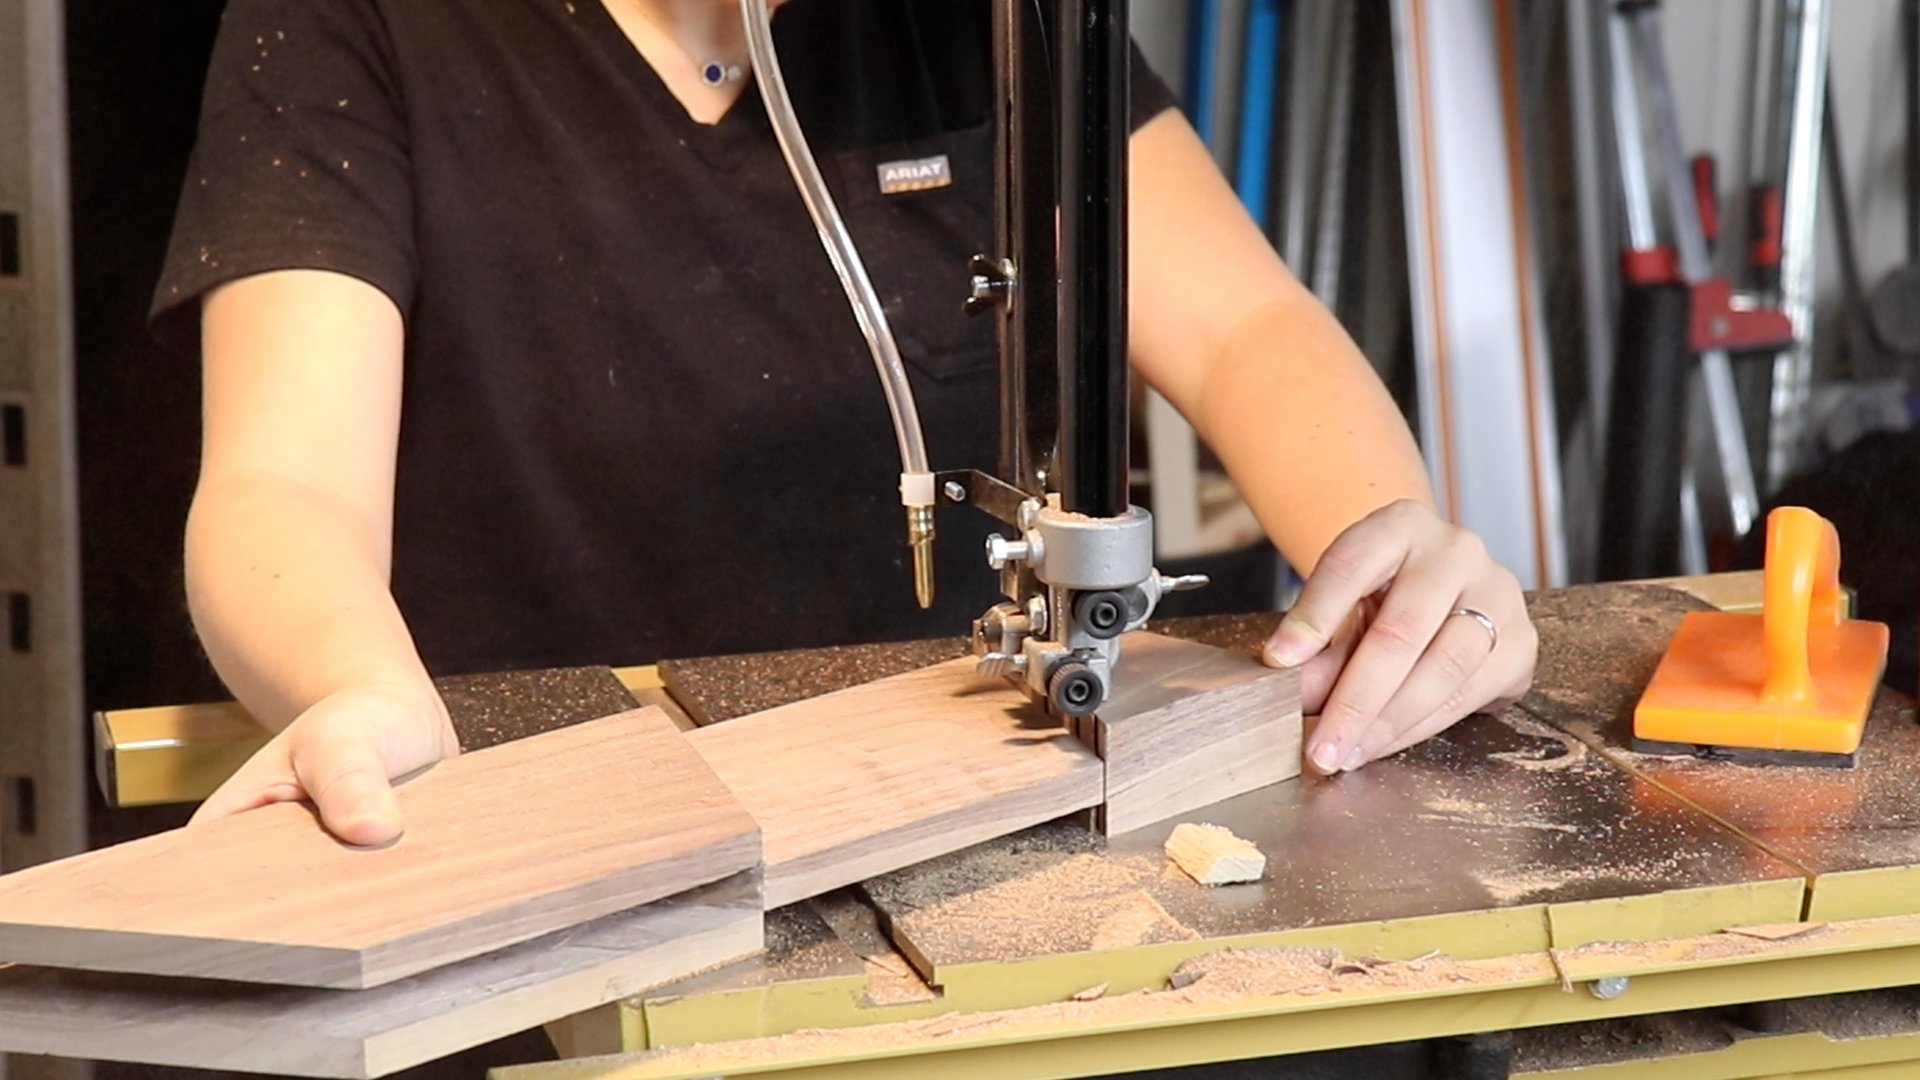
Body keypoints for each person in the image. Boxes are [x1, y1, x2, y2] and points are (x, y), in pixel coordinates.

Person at [158, 0, 1538, 847]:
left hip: (952, 800)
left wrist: (1386, 553)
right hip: (544, 822)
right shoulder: (353, 24)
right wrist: (358, 691)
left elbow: (1247, 332)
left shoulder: (988, 23)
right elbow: (286, 482)